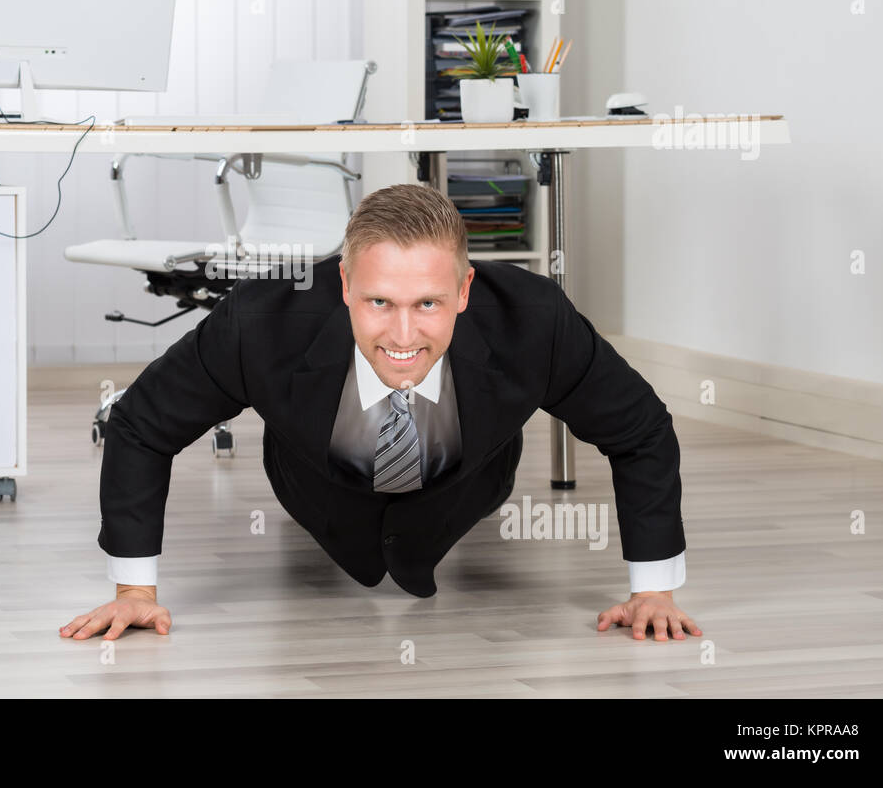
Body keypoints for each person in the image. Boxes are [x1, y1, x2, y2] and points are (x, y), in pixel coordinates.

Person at [61, 183, 699, 643]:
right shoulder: (259, 323)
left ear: (465, 290)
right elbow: (142, 426)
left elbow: (639, 431)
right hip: (314, 481)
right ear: (342, 286)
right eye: (378, 302)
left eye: (427, 303)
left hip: (470, 479)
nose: (402, 334)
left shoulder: (535, 320)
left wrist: (653, 590)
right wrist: (134, 591)